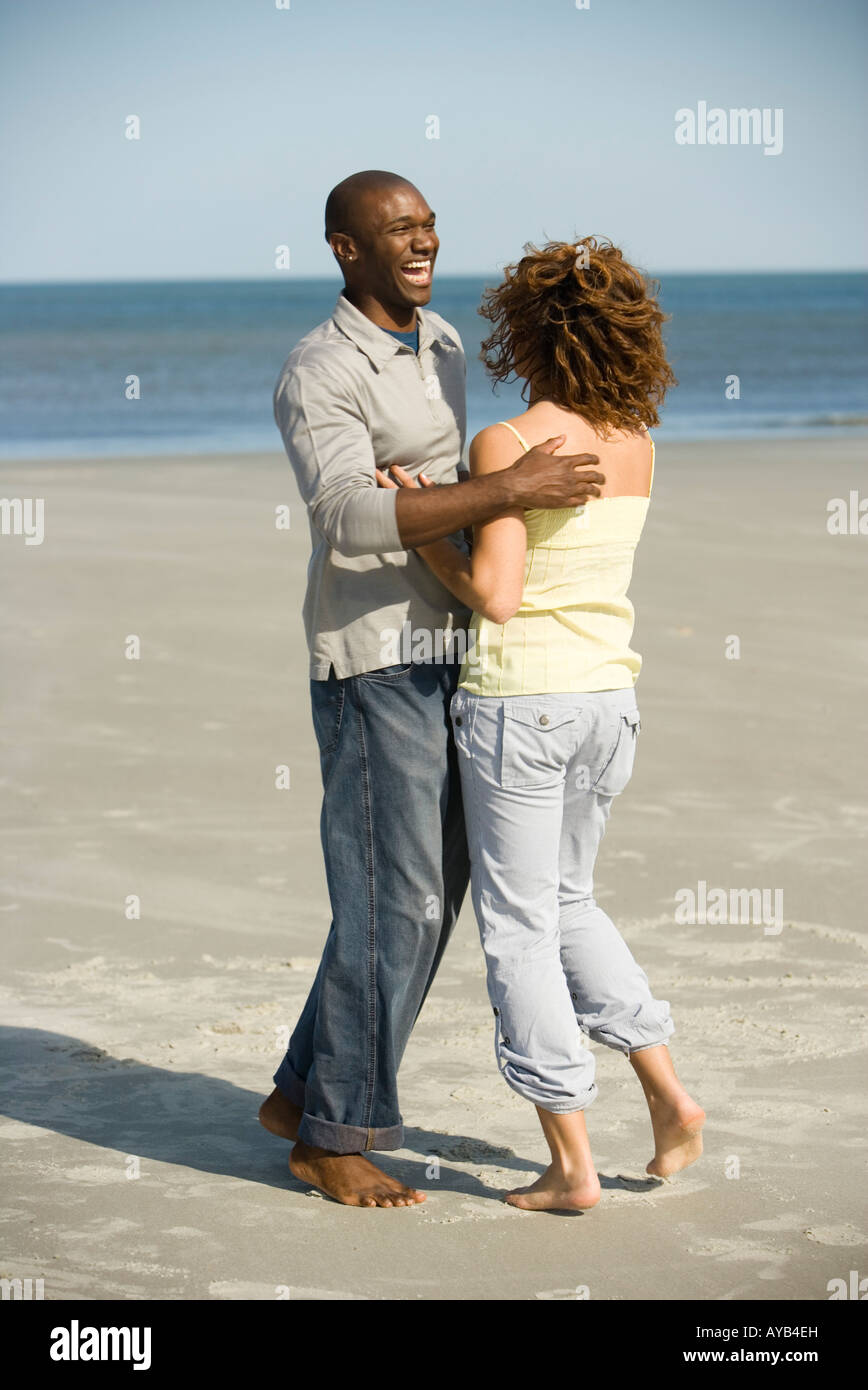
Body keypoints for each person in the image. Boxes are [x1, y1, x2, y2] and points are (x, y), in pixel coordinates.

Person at [259, 173, 606, 1208]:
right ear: (343, 249)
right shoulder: (317, 371)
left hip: (452, 651)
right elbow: (347, 520)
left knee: (415, 896)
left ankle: (297, 1091)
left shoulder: (445, 343)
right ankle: (332, 1137)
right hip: (370, 659)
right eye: (395, 230)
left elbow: (426, 497)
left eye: (426, 224)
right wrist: (508, 488)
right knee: (392, 903)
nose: (420, 241)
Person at [378, 237, 705, 1212]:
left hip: (523, 703)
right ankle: (669, 1098)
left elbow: (497, 594)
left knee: (519, 928)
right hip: (610, 699)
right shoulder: (639, 443)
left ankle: (569, 1162)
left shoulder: (509, 446)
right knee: (568, 902)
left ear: (523, 334)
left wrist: (433, 524)